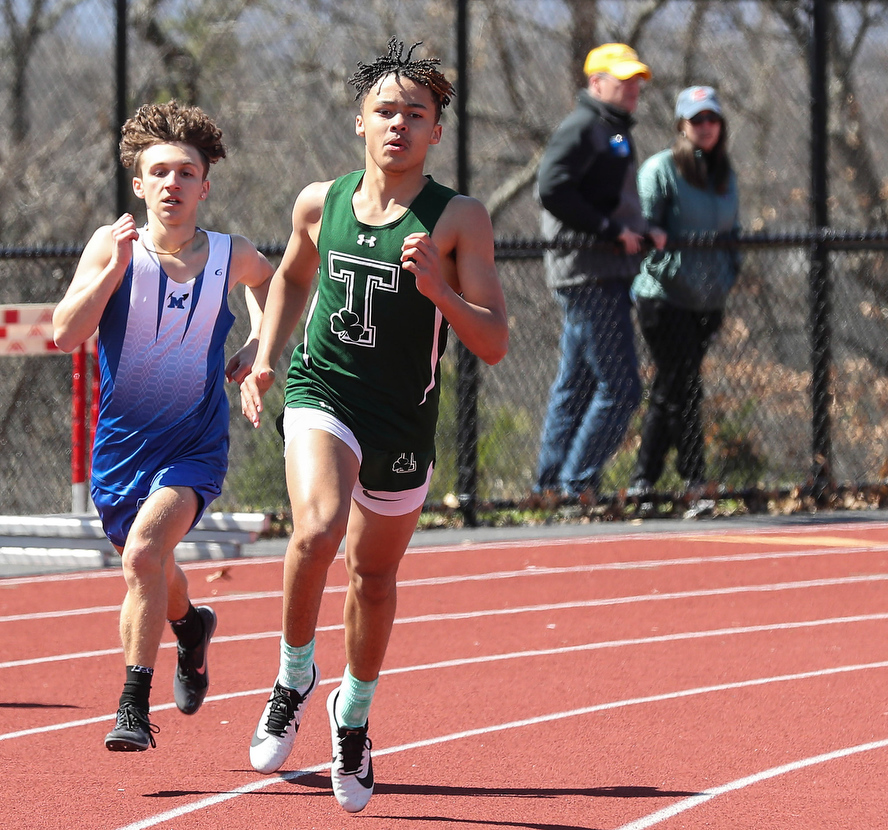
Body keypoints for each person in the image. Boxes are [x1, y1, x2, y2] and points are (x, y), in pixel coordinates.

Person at [239, 38, 508, 813]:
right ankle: (294, 674)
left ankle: (351, 716)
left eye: (413, 114)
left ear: (434, 132)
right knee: (316, 530)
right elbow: (292, 274)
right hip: (323, 391)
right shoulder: (319, 202)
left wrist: (440, 291)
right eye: (384, 111)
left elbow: (493, 341)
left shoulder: (458, 218)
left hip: (403, 420)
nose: (398, 124)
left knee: (374, 578)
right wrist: (265, 353)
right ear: (360, 122)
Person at [52, 100, 273, 752]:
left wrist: (260, 343)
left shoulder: (230, 254)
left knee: (145, 553)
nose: (173, 184)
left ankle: (132, 707)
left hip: (193, 445)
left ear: (205, 185)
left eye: (186, 172)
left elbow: (273, 283)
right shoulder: (111, 245)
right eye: (160, 173)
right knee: (150, 566)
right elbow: (66, 334)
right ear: (139, 184)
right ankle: (191, 626)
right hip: (122, 450)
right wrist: (112, 274)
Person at [534, 43, 666, 498]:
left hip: (604, 270)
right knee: (623, 387)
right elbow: (552, 189)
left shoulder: (613, 130)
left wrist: (644, 229)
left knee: (577, 384)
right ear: (596, 84)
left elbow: (611, 198)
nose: (632, 90)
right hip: (589, 274)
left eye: (636, 82)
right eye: (623, 80)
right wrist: (611, 230)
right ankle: (578, 483)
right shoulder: (584, 126)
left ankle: (550, 485)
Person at [628, 86, 740, 497]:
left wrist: (727, 277)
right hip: (664, 298)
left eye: (712, 119)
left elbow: (734, 233)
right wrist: (675, 274)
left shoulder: (724, 174)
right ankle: (693, 478)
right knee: (685, 384)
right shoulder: (660, 169)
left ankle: (644, 482)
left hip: (709, 301)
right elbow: (645, 232)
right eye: (697, 120)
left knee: (672, 386)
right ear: (682, 125)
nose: (706, 127)